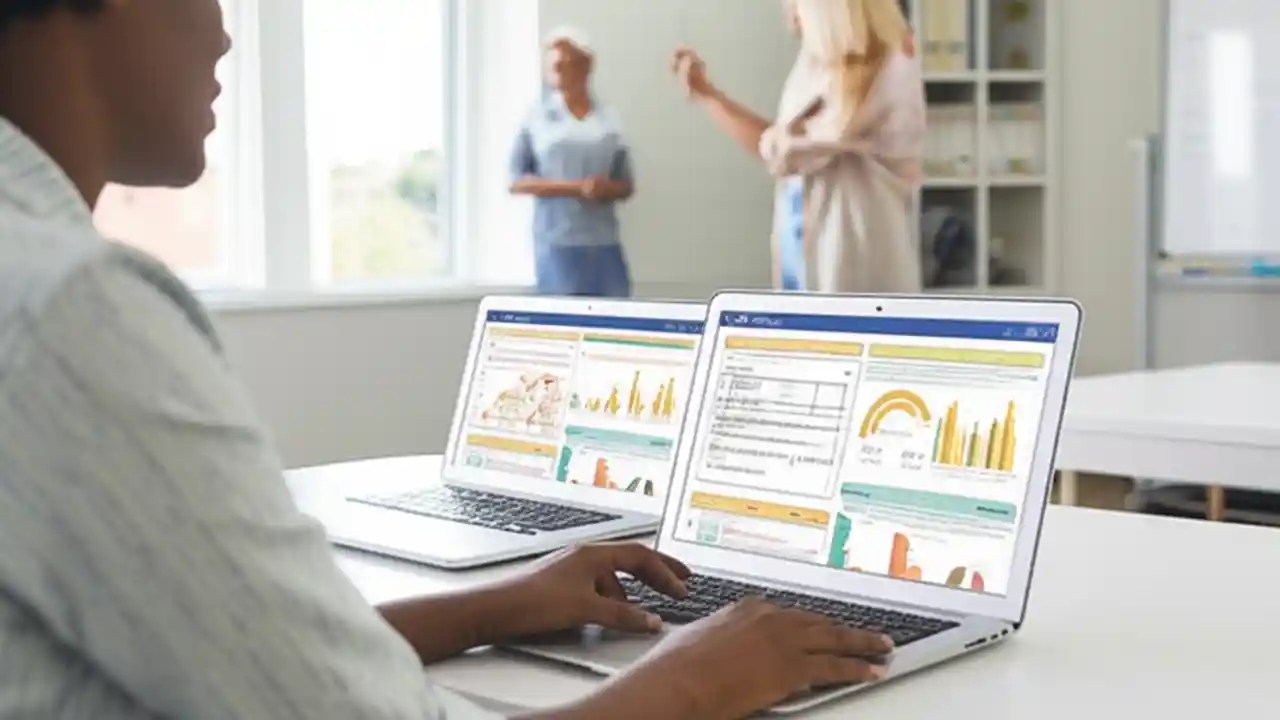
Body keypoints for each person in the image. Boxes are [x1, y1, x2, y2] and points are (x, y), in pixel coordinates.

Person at [0, 2, 893, 718]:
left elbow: (214, 651)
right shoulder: (74, 308)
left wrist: (489, 606)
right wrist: (703, 679)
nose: (228, 28)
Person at [672, 0, 926, 293]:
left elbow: (782, 149)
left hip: (855, 272)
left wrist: (710, 97)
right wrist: (708, 94)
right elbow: (779, 146)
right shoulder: (817, 65)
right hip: (804, 259)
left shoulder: (885, 63)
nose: (787, 9)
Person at [510, 28, 635, 298]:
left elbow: (626, 183)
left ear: (586, 67)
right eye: (556, 66)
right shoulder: (536, 119)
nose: (563, 72)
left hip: (605, 243)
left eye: (571, 65)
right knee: (563, 329)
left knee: (617, 325)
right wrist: (577, 188)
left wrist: (606, 189)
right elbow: (517, 181)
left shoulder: (608, 119)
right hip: (558, 244)